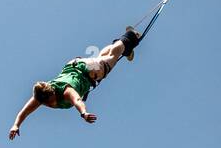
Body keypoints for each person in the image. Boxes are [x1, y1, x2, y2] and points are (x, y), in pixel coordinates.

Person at [8, 28, 141, 138]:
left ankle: (130, 37)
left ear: (52, 93)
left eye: (48, 102)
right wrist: (16, 125)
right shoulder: (41, 96)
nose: (47, 105)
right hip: (76, 65)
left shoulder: (65, 91)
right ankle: (125, 46)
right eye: (44, 104)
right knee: (102, 57)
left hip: (88, 72)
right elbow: (24, 112)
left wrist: (84, 113)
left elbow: (77, 100)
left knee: (112, 57)